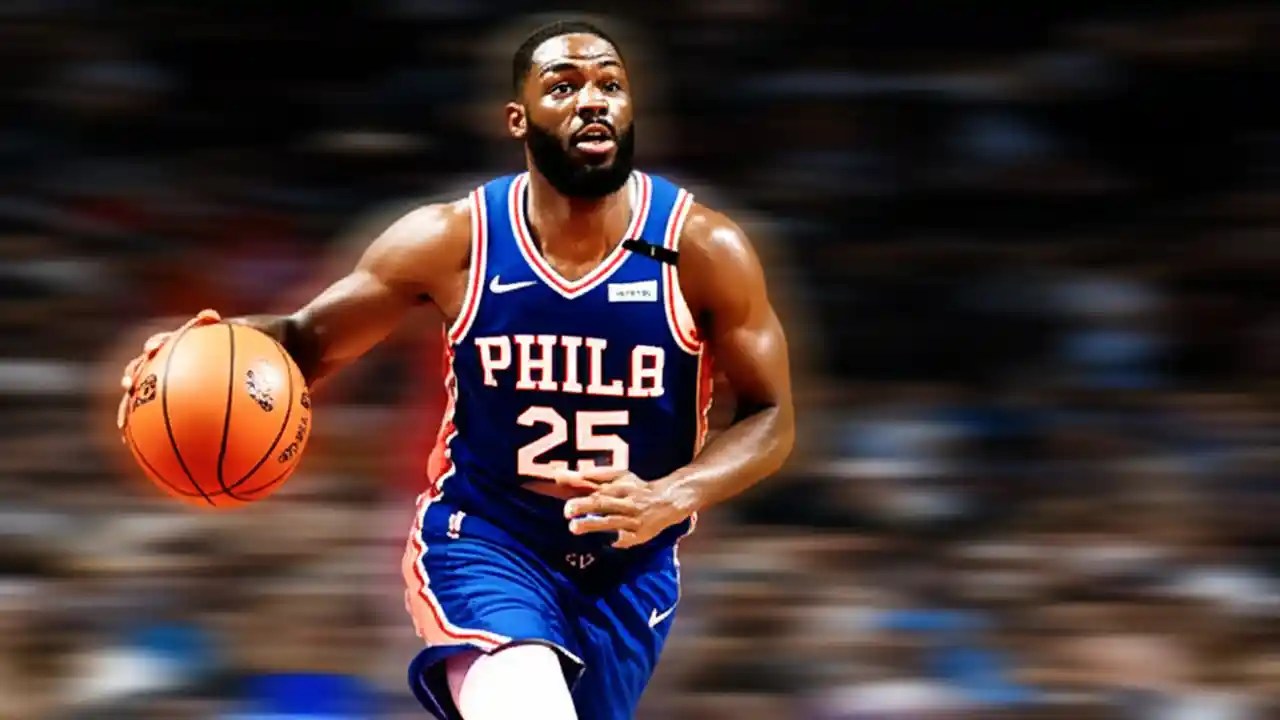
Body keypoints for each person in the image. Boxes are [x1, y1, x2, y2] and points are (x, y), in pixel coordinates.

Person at [118, 19, 795, 720]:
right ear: (518, 118)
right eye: (563, 86)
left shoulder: (703, 248)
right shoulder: (452, 241)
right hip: (484, 543)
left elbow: (770, 416)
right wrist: (199, 352)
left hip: (629, 572)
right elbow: (303, 340)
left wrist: (673, 494)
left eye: (611, 85)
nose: (593, 100)